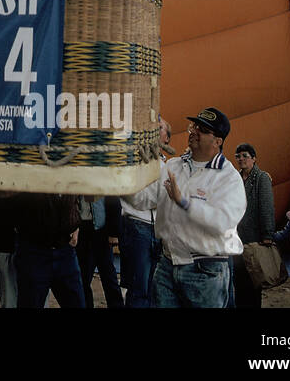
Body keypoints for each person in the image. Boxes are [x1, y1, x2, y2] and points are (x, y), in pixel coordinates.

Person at [125, 107, 245, 308]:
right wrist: (119, 180)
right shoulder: (172, 167)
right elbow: (142, 200)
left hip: (205, 270)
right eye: (195, 126)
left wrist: (184, 202)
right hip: (167, 265)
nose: (194, 131)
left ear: (218, 141)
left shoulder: (228, 177)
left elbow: (223, 223)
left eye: (203, 130)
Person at [118, 118, 171, 307]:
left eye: (160, 127)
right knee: (138, 288)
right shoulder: (132, 159)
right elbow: (134, 196)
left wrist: (160, 197)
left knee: (155, 287)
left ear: (166, 138)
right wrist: (162, 198)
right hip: (136, 228)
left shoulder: (167, 166)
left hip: (158, 231)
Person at [12, 193, 84, 308]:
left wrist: (75, 222)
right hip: (34, 251)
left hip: (65, 251)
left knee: (77, 302)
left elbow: (75, 199)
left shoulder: (71, 176)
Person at [233, 142, 275, 308]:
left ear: (254, 159)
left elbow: (266, 206)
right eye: (238, 156)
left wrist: (267, 234)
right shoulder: (235, 178)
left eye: (245, 156)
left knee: (254, 280)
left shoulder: (262, 178)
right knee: (240, 279)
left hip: (255, 238)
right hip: (237, 239)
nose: (241, 159)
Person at [75, 195, 123, 308]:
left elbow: (114, 200)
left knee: (108, 275)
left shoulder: (104, 177)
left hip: (102, 230)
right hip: (82, 229)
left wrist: (114, 233)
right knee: (83, 277)